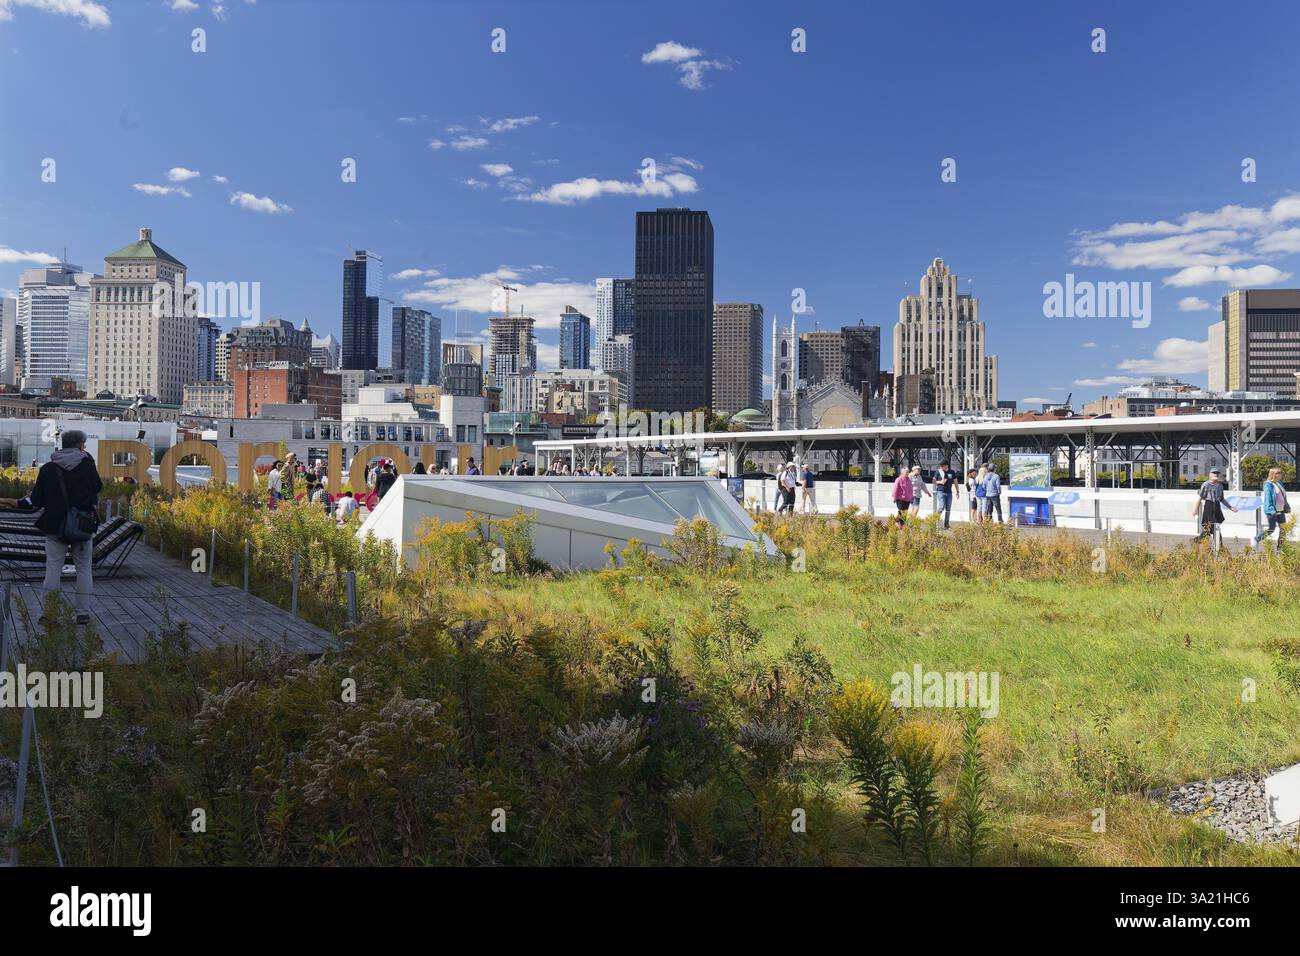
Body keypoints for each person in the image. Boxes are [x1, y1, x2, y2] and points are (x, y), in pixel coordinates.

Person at [0, 430, 103, 625]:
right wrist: (87, 459)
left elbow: (35, 501)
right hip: (82, 526)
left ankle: (50, 613)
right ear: (81, 446)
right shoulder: (87, 466)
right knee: (83, 568)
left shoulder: (48, 468)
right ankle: (82, 613)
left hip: (55, 526)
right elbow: (97, 488)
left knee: (53, 569)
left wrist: (7, 501)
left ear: (63, 444)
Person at [1195, 468, 1237, 544]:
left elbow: (1222, 499)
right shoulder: (1205, 485)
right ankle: (1219, 546)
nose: (1216, 474)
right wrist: (1195, 510)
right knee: (1209, 528)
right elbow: (1200, 498)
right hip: (1209, 506)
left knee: (1214, 527)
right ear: (1210, 474)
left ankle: (1200, 542)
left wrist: (1230, 508)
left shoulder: (1220, 485)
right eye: (1214, 473)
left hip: (1217, 506)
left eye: (1217, 473)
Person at [1254, 467, 1290, 552]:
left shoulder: (1279, 483)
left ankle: (1279, 548)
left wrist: (1286, 505)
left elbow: (1283, 495)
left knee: (1283, 529)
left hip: (1280, 510)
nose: (1280, 474)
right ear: (1273, 474)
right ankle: (1256, 539)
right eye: (1278, 473)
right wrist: (1271, 510)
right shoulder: (1268, 484)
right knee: (1271, 529)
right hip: (1272, 511)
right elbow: (1268, 498)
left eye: (1280, 472)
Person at [932, 461, 960, 529]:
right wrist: (940, 482)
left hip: (949, 492)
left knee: (948, 509)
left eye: (943, 466)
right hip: (941, 491)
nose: (941, 467)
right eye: (941, 466)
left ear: (946, 465)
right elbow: (933, 481)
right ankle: (935, 522)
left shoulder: (952, 472)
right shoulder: (938, 472)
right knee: (941, 507)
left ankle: (946, 524)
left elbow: (955, 481)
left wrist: (957, 491)